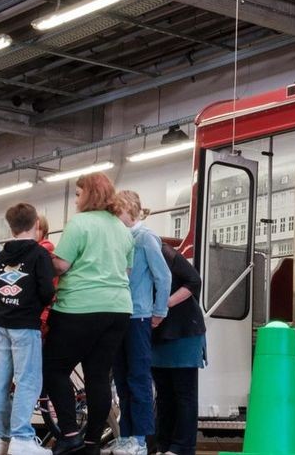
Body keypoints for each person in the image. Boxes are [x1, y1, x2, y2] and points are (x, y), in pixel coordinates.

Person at [43, 172, 134, 455]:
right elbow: (126, 270)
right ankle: (93, 442)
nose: (76, 199)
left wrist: (44, 260)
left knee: (54, 369)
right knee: (98, 375)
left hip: (80, 307)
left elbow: (62, 265)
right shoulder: (123, 229)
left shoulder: (79, 223)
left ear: (90, 194)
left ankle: (70, 435)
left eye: (79, 193)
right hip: (118, 309)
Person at [0, 203, 57, 455]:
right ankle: (22, 437)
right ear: (37, 224)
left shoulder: (1, 256)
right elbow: (47, 289)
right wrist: (36, 304)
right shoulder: (39, 255)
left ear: (10, 227)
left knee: (0, 382)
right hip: (25, 325)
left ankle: (0, 439)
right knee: (27, 381)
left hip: (1, 326)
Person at [108, 191, 170, 455]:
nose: (115, 217)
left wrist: (159, 310)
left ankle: (141, 439)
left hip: (139, 316)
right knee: (122, 379)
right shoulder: (119, 238)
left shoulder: (145, 238)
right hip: (120, 315)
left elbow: (163, 276)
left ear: (130, 210)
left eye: (118, 212)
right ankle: (126, 435)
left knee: (138, 378)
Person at [151, 242, 205, 455]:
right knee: (164, 394)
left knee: (184, 393)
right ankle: (164, 445)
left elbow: (194, 280)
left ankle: (182, 447)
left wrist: (164, 304)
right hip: (159, 332)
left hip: (184, 330)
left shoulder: (165, 252)